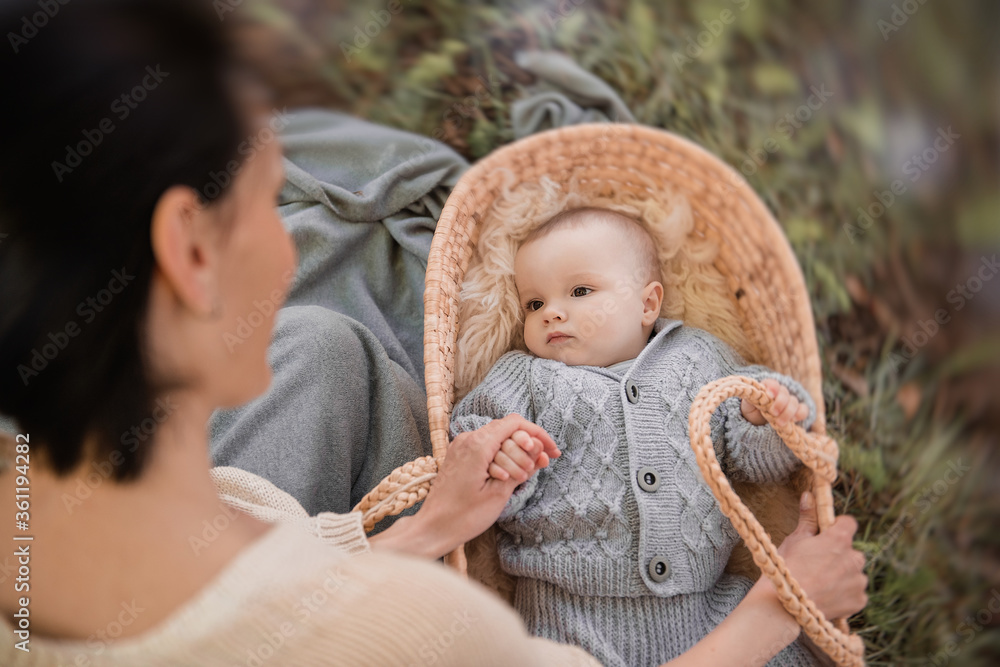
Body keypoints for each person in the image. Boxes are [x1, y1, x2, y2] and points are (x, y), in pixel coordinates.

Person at [0, 0, 866, 664]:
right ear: (190, 248)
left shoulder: (30, 527)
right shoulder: (426, 631)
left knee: (323, 345)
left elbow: (285, 561)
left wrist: (420, 528)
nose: (286, 239)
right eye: (270, 201)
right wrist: (779, 607)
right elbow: (303, 610)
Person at [452, 208, 859, 666]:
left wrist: (764, 417)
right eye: (534, 304)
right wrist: (504, 461)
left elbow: (757, 465)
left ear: (647, 304)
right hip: (565, 620)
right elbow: (469, 459)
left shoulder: (697, 358)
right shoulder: (525, 377)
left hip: (710, 610)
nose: (552, 313)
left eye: (580, 291)